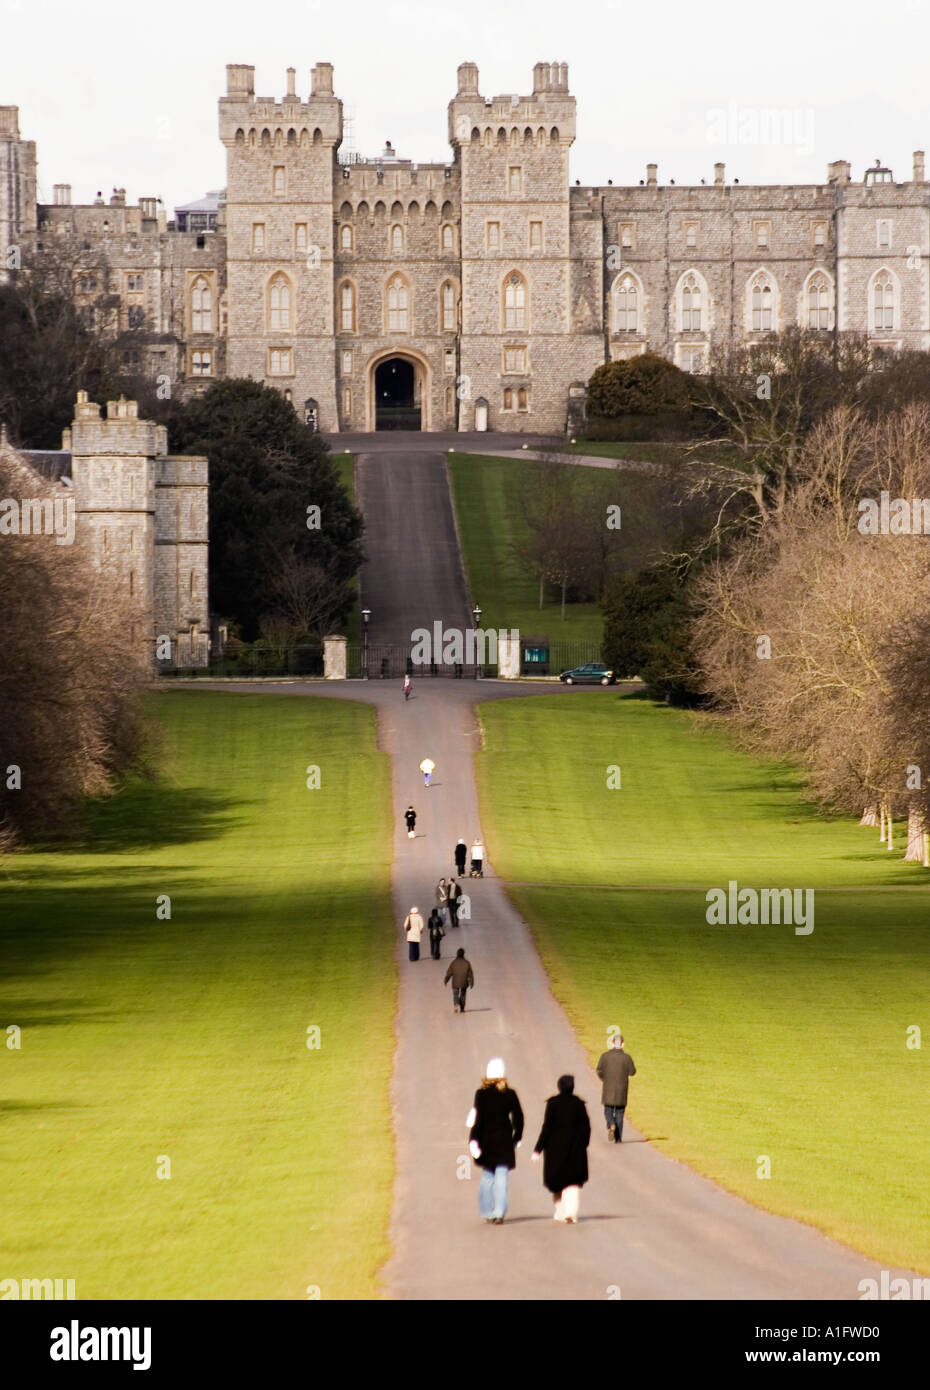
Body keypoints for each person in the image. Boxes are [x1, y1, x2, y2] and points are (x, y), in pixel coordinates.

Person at [467, 1058, 523, 1223]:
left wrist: (473, 1140)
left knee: (487, 1178)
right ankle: (499, 1212)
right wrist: (517, 1136)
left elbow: (478, 1119)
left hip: (486, 1141)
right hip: (504, 1141)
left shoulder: (481, 1094)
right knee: (501, 1178)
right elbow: (518, 1117)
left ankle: (486, 1211)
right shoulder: (510, 1093)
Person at [532, 1074, 591, 1223]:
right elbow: (586, 1127)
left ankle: (560, 1211)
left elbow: (547, 1128)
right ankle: (570, 1212)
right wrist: (584, 1143)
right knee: (572, 1183)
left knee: (557, 1183)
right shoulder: (579, 1104)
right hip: (575, 1150)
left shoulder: (553, 1104)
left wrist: (538, 1149)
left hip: (554, 1151)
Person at [596, 1033, 637, 1143]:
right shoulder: (627, 1058)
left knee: (608, 1110)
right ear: (622, 1044)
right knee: (620, 1113)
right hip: (622, 1090)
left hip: (608, 1088)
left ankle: (611, 1124)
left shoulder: (605, 1056)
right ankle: (618, 1138)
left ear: (613, 1043)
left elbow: (599, 1070)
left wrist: (604, 1078)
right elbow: (632, 1072)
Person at [443, 947, 474, 1012]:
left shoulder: (453, 963)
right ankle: (462, 1008)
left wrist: (446, 980)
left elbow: (449, 972)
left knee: (455, 995)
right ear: (463, 954)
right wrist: (471, 982)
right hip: (464, 982)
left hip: (455, 982)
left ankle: (456, 1005)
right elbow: (470, 974)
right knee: (463, 995)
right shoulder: (467, 962)